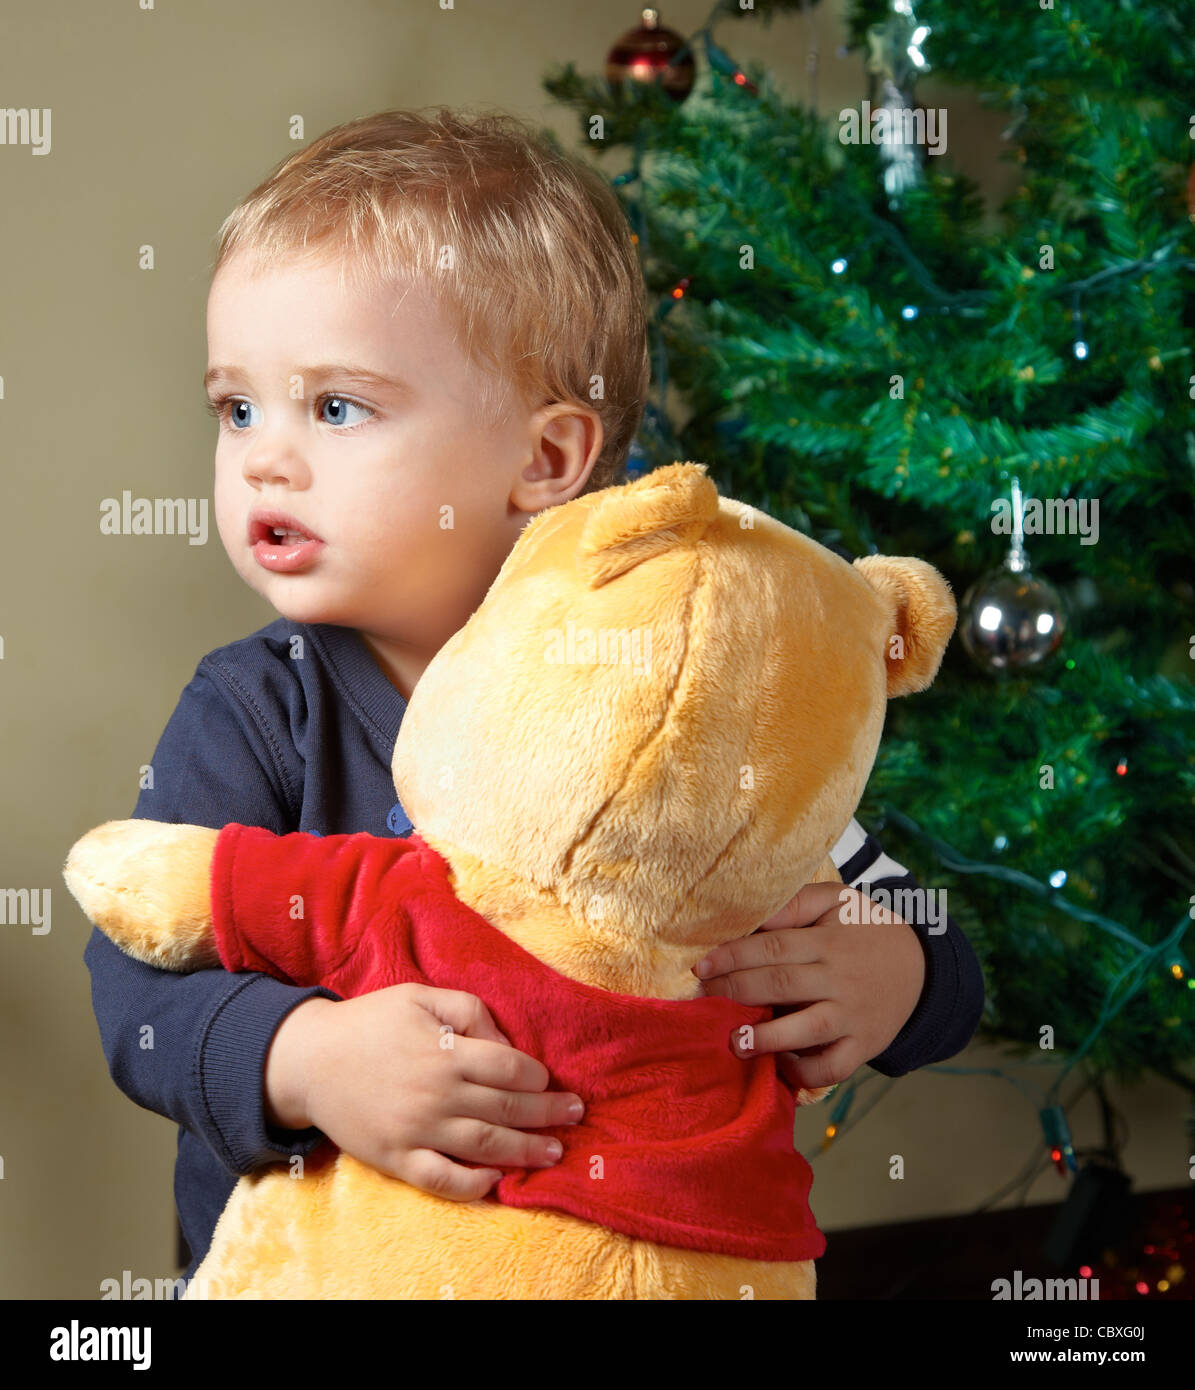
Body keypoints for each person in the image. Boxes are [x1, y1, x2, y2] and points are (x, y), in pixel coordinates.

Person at [82, 108, 985, 1286]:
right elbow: (139, 985)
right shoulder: (261, 708)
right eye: (236, 407)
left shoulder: (671, 694)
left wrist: (900, 970)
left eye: (336, 407)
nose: (262, 457)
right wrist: (307, 1058)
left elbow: (872, 898)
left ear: (545, 461)